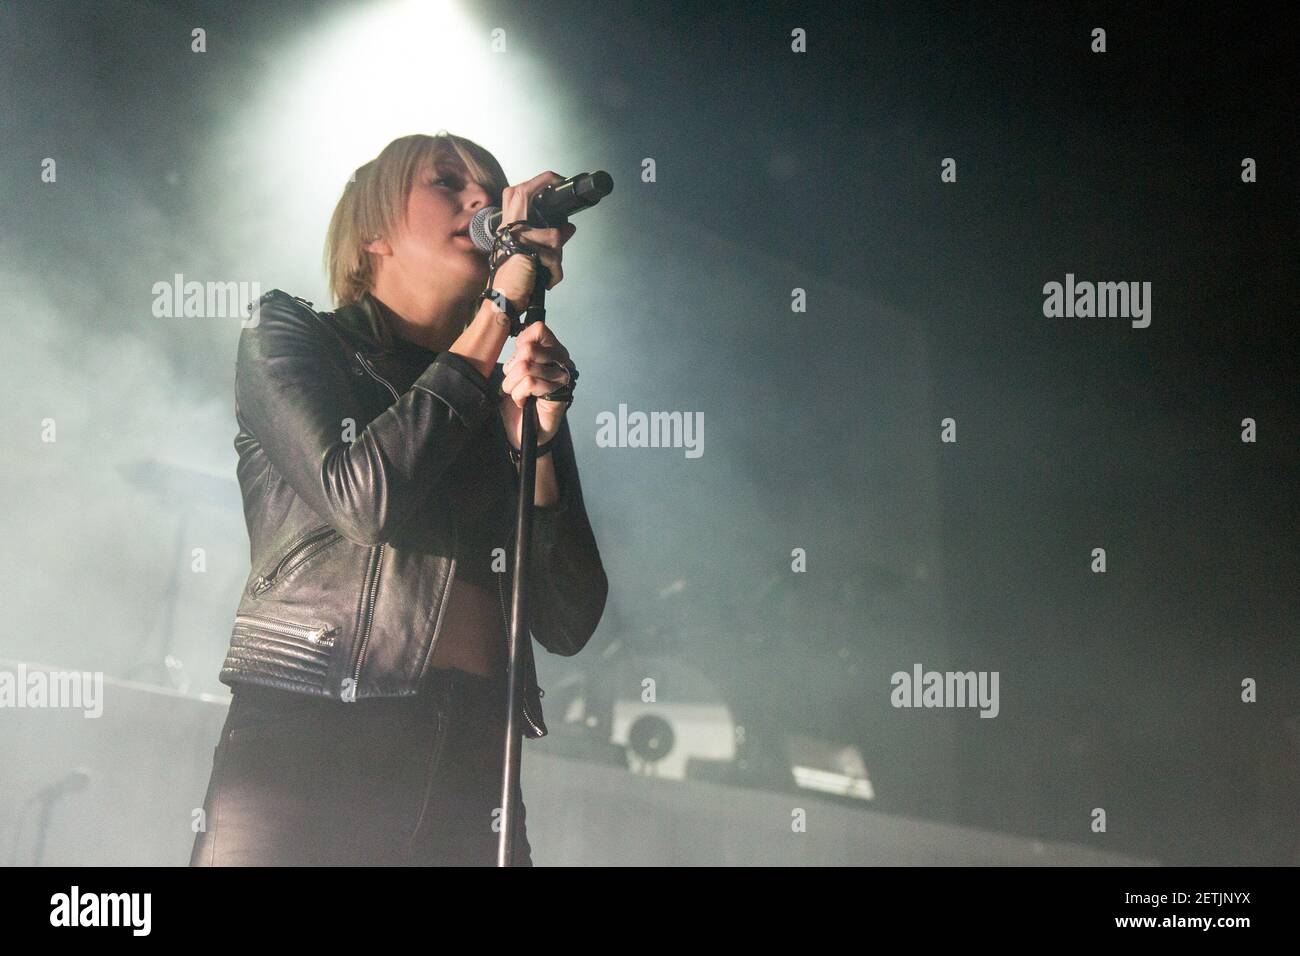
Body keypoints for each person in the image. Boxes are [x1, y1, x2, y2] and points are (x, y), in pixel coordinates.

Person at [189, 132, 609, 866]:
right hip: (316, 736)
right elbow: (364, 501)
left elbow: (568, 618)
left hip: (474, 762)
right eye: (448, 183)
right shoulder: (292, 337)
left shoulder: (505, 385)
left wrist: (536, 441)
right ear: (373, 233)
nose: (480, 198)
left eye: (490, 184)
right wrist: (496, 312)